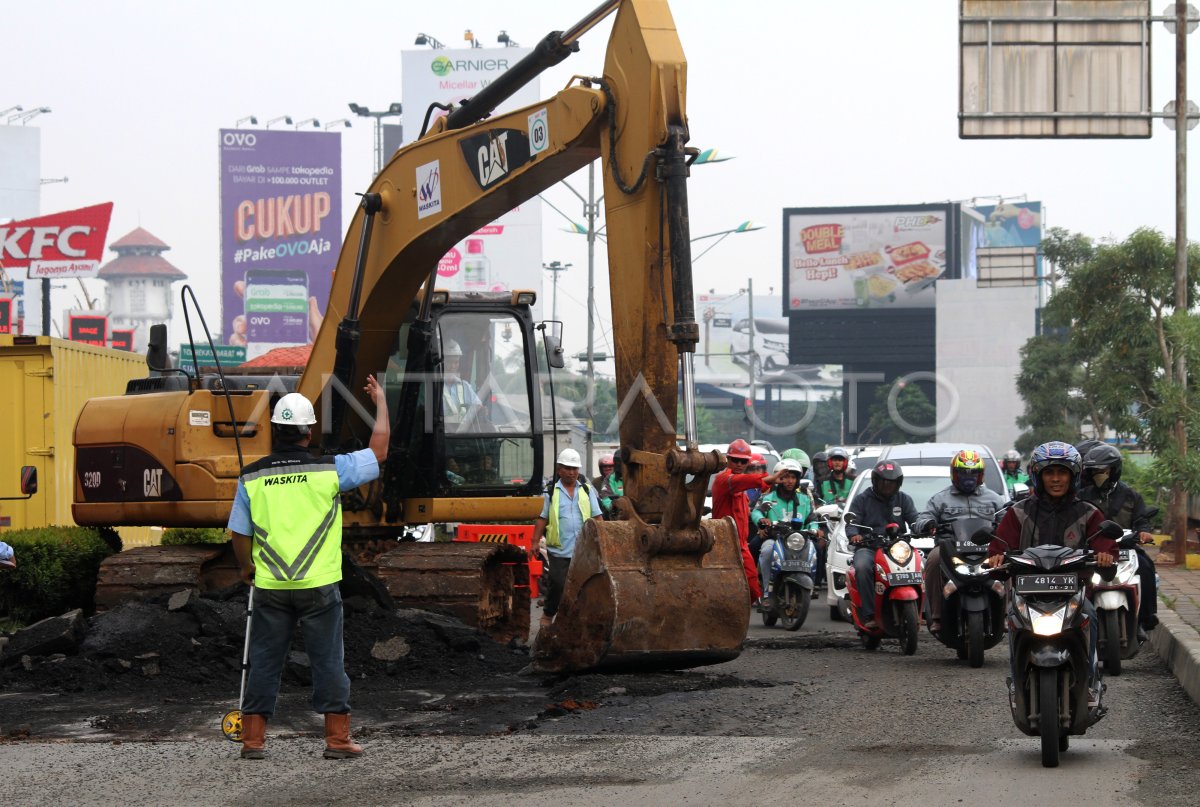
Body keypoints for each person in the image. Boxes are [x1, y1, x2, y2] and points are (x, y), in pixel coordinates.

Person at [227, 377, 390, 761]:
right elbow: (378, 452)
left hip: (270, 585)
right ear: (308, 430)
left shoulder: (251, 476)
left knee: (264, 659)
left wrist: (245, 568)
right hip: (318, 585)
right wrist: (380, 403)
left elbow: (238, 531)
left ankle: (253, 741)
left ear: (275, 430)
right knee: (328, 660)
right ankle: (336, 741)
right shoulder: (328, 470)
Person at [984, 441, 1116, 694]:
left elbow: (1106, 545)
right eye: (1049, 473)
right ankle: (1017, 682)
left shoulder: (1089, 513)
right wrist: (997, 558)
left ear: (1073, 476)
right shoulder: (1018, 512)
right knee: (1012, 620)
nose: (1056, 479)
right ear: (1038, 476)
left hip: (1074, 593)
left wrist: (1105, 556)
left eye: (1062, 472)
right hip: (1027, 594)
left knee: (1091, 615)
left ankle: (1089, 682)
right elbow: (999, 546)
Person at [914, 449, 1007, 635]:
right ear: (954, 474)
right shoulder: (940, 499)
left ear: (980, 475)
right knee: (932, 561)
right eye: (964, 472)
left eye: (973, 473)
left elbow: (1007, 519)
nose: (969, 477)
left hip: (986, 549)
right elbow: (922, 519)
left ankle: (1006, 614)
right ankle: (937, 615)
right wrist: (927, 524)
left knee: (1008, 561)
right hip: (950, 549)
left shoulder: (995, 499)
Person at [1078, 443, 1159, 637]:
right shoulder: (1081, 497)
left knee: (1147, 568)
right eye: (1094, 471)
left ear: (1114, 471)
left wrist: (1144, 533)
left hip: (1126, 547)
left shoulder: (1131, 495)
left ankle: (1145, 619)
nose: (1098, 474)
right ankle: (1076, 620)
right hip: (1092, 550)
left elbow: (1141, 520)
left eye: (1103, 470)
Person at [532, 448, 603, 629]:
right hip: (560, 548)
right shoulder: (551, 492)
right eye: (567, 468)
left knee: (584, 585)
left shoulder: (586, 490)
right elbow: (543, 518)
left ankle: (576, 619)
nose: (572, 472)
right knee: (557, 583)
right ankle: (548, 614)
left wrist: (603, 541)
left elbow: (597, 517)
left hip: (583, 549)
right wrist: (534, 542)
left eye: (574, 469)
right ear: (559, 470)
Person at [845, 460, 918, 631]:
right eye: (884, 481)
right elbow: (852, 522)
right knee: (862, 567)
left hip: (897, 549)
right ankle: (870, 614)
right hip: (869, 547)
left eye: (892, 483)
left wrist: (924, 527)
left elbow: (915, 520)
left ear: (898, 483)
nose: (887, 486)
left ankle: (924, 612)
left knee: (921, 565)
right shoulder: (862, 500)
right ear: (875, 480)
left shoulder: (904, 499)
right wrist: (854, 535)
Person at [711, 438, 779, 603]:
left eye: (743, 461)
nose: (739, 464)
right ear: (727, 460)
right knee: (723, 586)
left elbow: (759, 486)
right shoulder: (724, 479)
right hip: (724, 543)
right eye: (735, 460)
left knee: (752, 589)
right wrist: (772, 477)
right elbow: (747, 481)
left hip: (741, 544)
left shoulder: (742, 486)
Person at [753, 458, 813, 607]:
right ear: (778, 478)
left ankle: (812, 585)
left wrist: (816, 529)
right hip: (775, 538)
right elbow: (756, 512)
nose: (789, 481)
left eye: (793, 477)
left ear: (798, 480)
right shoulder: (768, 498)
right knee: (766, 550)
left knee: (815, 550)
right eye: (785, 477)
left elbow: (812, 518)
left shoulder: (804, 500)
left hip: (798, 541)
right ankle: (766, 592)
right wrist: (762, 521)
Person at [441, 339, 482, 426]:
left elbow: (477, 406)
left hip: (460, 435)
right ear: (442, 362)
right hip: (439, 435)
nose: (453, 366)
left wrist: (464, 423)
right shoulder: (434, 386)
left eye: (456, 362)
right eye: (449, 362)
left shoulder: (465, 386)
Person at [597, 454, 624, 519]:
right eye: (605, 466)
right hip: (614, 515)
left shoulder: (634, 476)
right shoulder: (607, 479)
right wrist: (616, 511)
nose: (607, 468)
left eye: (610, 466)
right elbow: (606, 498)